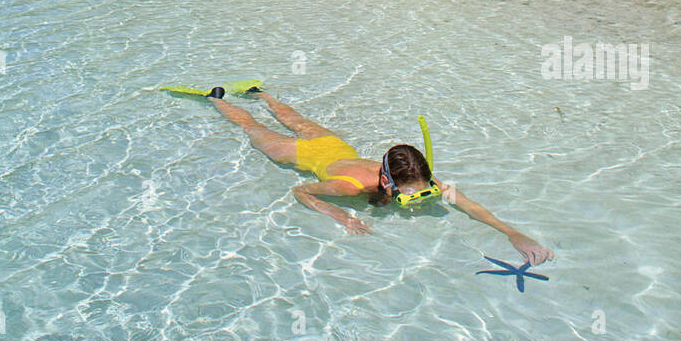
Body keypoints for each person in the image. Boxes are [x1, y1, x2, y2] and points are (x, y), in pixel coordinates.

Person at [209, 88, 553, 262]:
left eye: (423, 191)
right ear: (388, 182)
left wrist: (513, 233)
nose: (419, 197)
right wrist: (343, 217)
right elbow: (303, 192)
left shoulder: (419, 178)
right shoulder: (349, 186)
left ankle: (262, 93)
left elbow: (472, 208)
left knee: (293, 117)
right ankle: (216, 97)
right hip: (305, 155)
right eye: (412, 195)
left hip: (335, 145)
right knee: (252, 127)